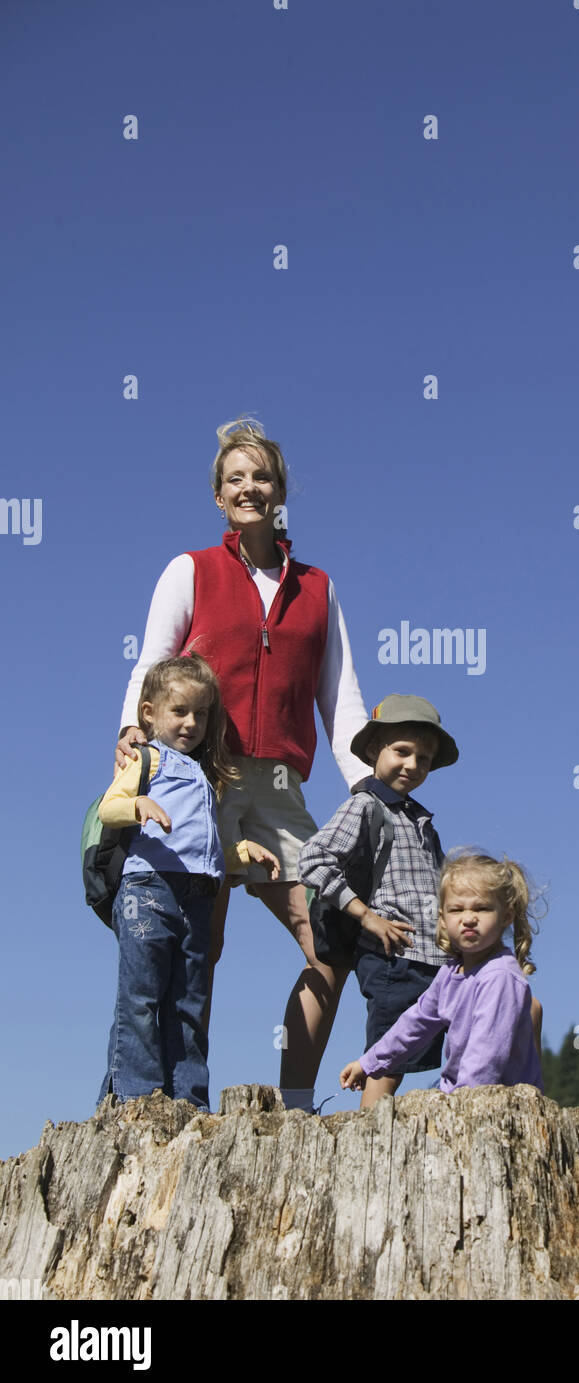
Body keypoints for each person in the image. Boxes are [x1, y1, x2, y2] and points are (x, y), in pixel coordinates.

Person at [114, 418, 369, 1114]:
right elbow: (151, 665)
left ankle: (293, 1103)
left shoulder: (318, 588)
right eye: (235, 479)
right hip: (200, 779)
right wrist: (132, 744)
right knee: (195, 947)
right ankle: (162, 1100)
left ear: (280, 490)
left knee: (331, 939)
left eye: (261, 477)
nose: (249, 488)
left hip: (282, 790)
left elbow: (340, 698)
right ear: (219, 496)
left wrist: (369, 791)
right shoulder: (190, 569)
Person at [97, 655, 280, 1110]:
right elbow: (108, 806)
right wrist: (137, 805)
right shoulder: (147, 759)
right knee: (141, 995)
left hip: (197, 897)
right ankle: (135, 1097)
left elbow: (206, 846)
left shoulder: (205, 774)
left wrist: (241, 854)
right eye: (179, 711)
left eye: (202, 713)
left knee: (189, 1002)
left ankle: (188, 1099)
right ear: (149, 713)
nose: (191, 723)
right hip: (149, 889)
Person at [299, 694, 457, 1109]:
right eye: (402, 751)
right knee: (388, 1054)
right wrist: (366, 916)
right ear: (373, 751)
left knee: (439, 1047)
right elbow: (313, 859)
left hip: (433, 957)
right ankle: (369, 1135)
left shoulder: (421, 821)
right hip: (392, 956)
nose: (412, 765)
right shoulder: (365, 806)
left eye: (424, 759)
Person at [340, 851, 543, 1095]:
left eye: (482, 908)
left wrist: (460, 1103)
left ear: (506, 916)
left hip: (498, 1101)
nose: (468, 919)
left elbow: (487, 1055)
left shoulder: (499, 976)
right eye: (457, 910)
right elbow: (414, 1024)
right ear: (443, 919)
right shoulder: (450, 972)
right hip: (461, 1094)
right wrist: (370, 1062)